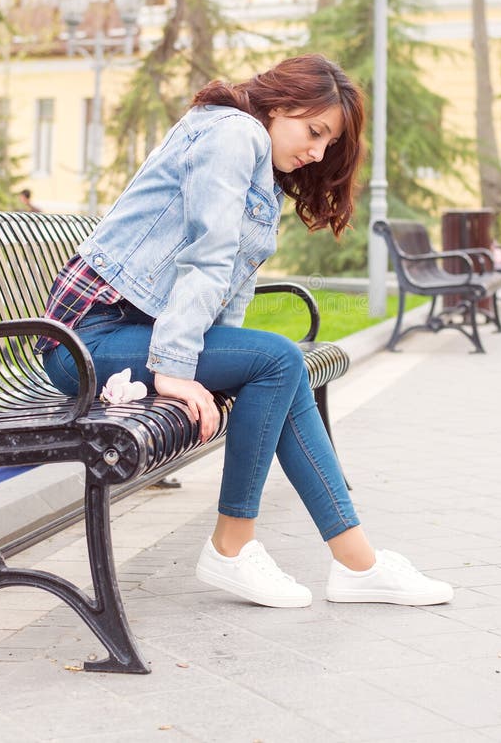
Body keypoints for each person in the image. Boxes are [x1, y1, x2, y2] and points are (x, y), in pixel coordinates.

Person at [36, 54, 453, 609]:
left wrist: (221, 365)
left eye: (327, 144)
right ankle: (233, 549)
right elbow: (207, 259)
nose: (317, 152)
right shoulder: (233, 135)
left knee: (276, 368)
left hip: (127, 333)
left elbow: (230, 284)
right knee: (278, 360)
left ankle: (358, 563)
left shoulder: (258, 162)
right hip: (85, 341)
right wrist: (178, 371)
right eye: (314, 132)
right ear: (280, 105)